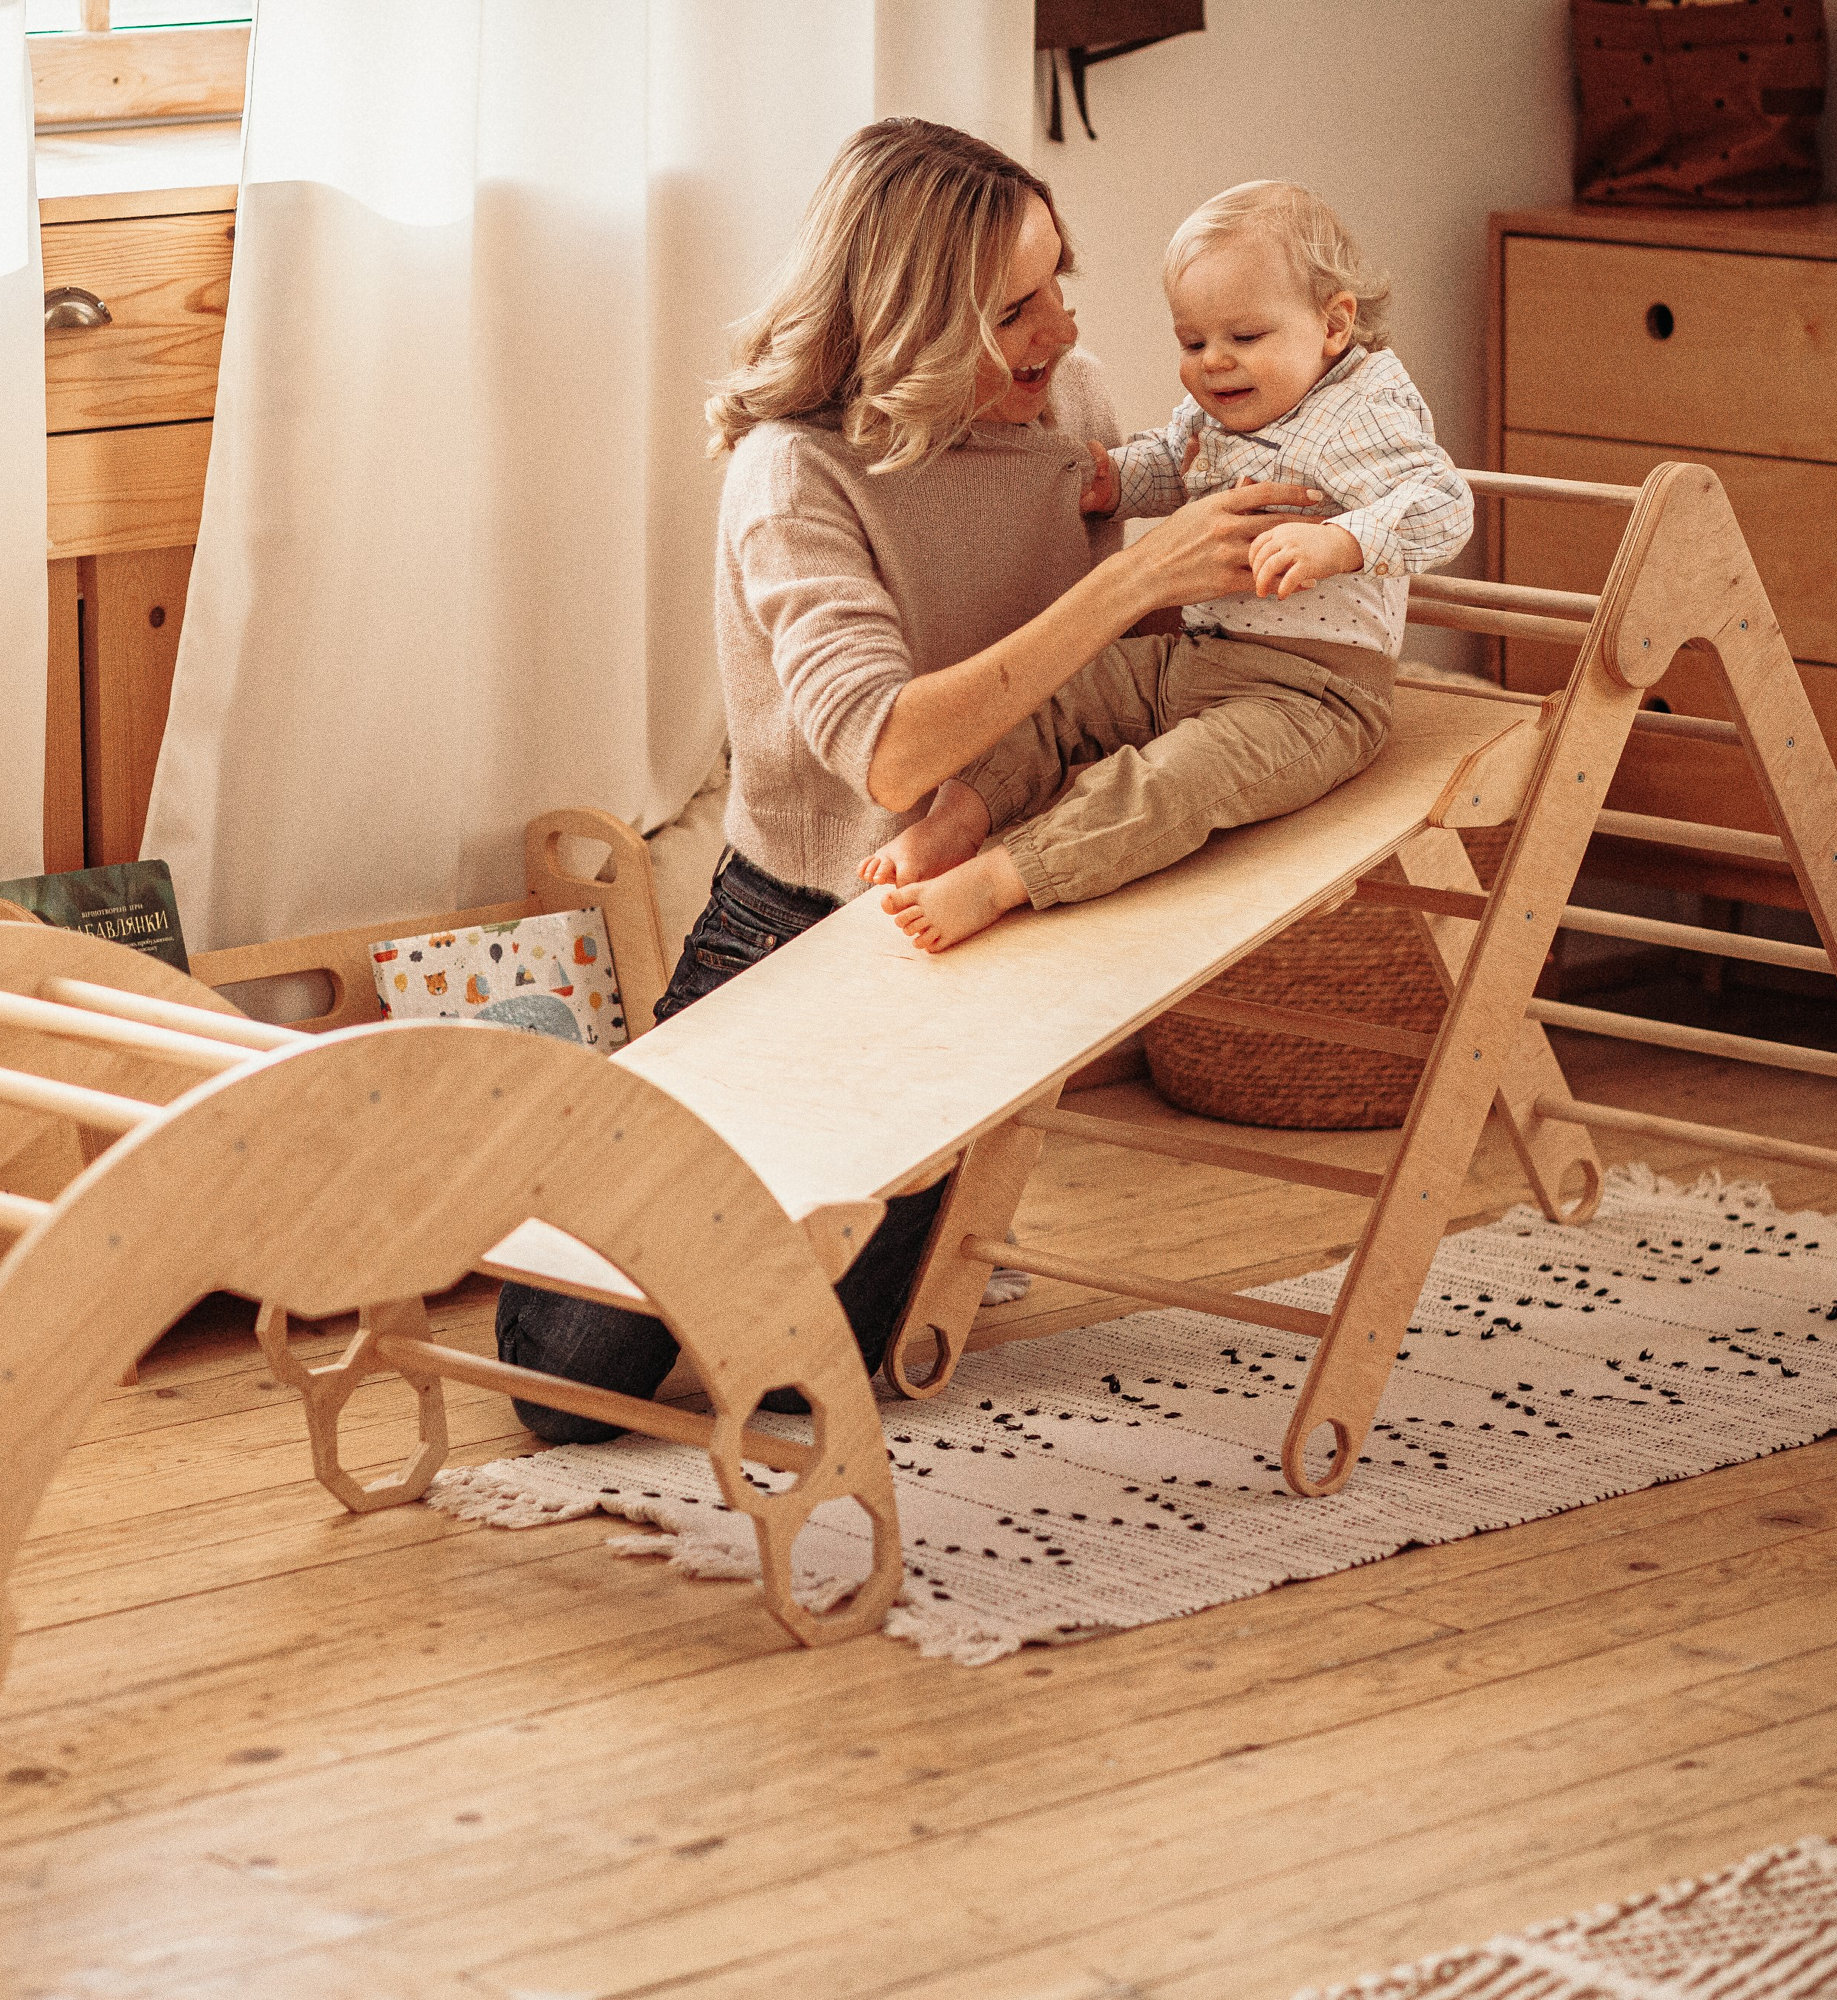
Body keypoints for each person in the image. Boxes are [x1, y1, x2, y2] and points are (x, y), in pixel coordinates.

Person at [494, 121, 1318, 1441]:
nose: (1061, 329)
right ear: (914, 328)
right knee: (565, 1380)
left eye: (1059, 282)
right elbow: (883, 750)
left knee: (807, 1368)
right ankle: (637, 1134)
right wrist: (1126, 583)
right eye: (1014, 310)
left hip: (974, 921)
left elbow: (1139, 673)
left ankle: (802, 1195)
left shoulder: (1075, 406)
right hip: (794, 921)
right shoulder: (795, 470)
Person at [867, 179, 1471, 953]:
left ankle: (1008, 874)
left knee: (1171, 783)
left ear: (1333, 324)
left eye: (1244, 336)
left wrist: (1340, 543)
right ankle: (960, 816)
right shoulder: (1228, 405)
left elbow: (1443, 504)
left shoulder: (1362, 412)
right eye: (1192, 343)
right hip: (1197, 657)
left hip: (1312, 695)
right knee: (1062, 692)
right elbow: (1177, 460)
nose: (1214, 363)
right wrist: (1118, 481)